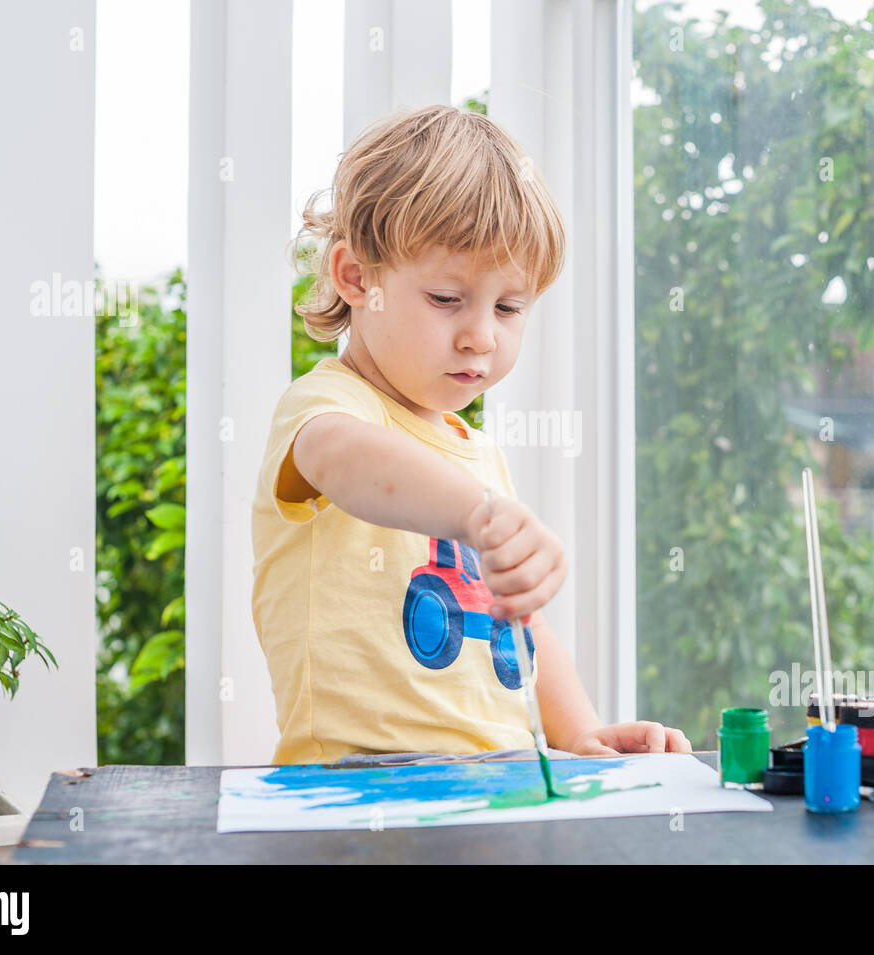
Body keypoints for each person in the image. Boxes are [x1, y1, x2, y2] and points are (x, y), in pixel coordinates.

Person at [251, 104, 691, 765]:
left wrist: (581, 731)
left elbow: (520, 619)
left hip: (500, 774)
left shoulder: (479, 454)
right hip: (360, 779)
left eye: (509, 307)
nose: (481, 335)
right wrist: (476, 511)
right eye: (446, 298)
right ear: (356, 277)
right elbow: (347, 460)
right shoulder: (325, 406)